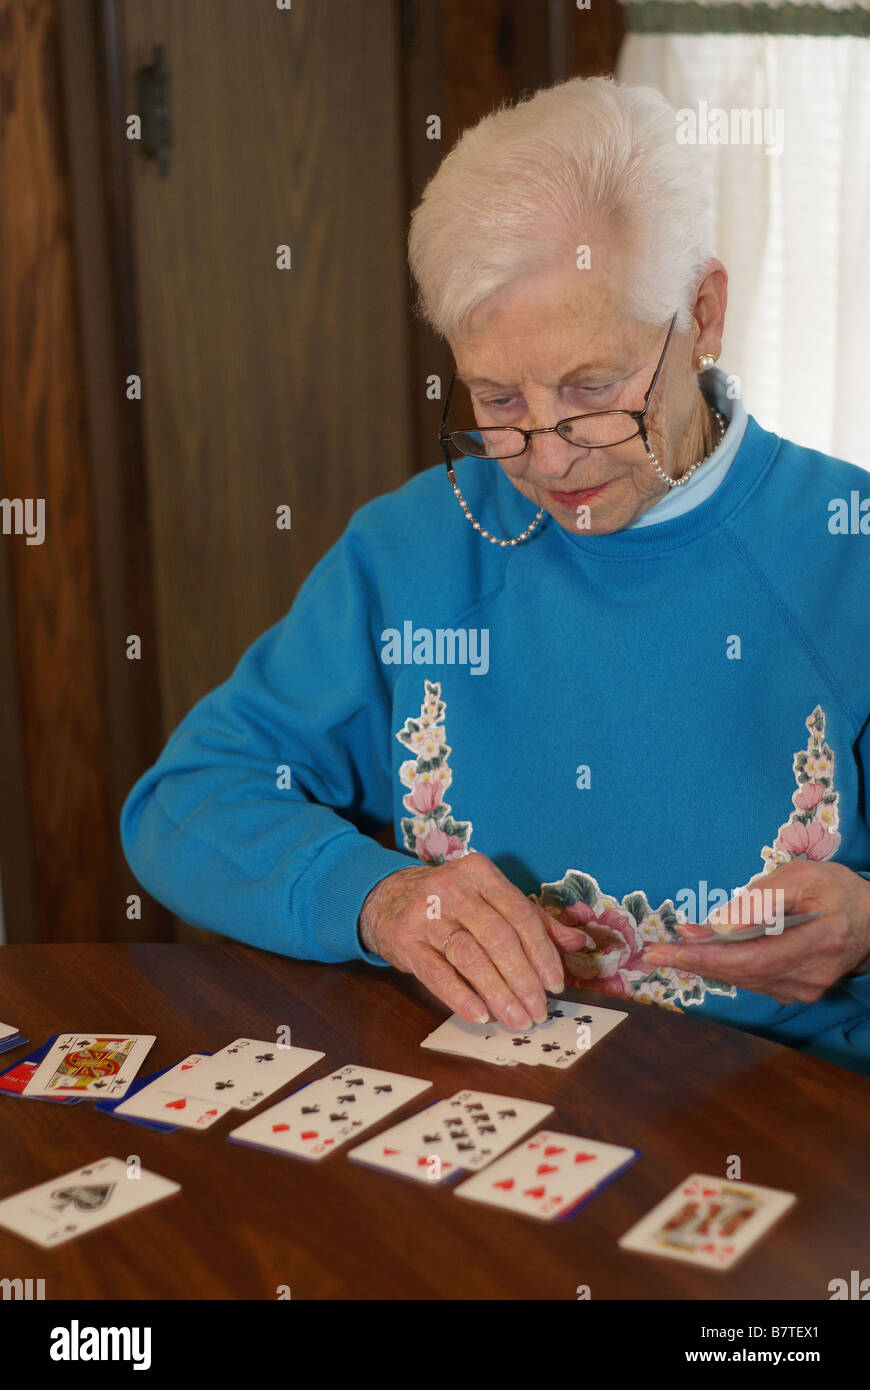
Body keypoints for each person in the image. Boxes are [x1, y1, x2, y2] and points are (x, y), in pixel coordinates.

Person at [121, 76, 870, 1077]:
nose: (548, 458)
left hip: (788, 1127)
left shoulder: (845, 546)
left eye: (592, 390)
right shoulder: (414, 546)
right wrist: (379, 900)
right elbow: (186, 800)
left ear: (705, 312)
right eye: (496, 398)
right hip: (477, 1114)